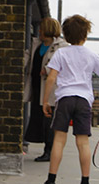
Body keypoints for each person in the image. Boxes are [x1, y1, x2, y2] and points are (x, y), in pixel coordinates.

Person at [39, 15, 99, 184]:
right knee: (82, 143)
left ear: (66, 36)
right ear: (85, 35)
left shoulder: (61, 53)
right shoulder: (91, 55)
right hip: (84, 101)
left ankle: (51, 183)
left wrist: (46, 101)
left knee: (59, 141)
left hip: (65, 99)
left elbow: (51, 78)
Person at [24, 17, 69, 161]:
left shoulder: (61, 46)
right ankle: (46, 148)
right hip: (37, 86)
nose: (40, 31)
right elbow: (26, 58)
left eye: (42, 29)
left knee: (49, 121)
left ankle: (49, 151)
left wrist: (48, 69)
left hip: (51, 89)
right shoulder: (36, 44)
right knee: (38, 119)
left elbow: (61, 63)